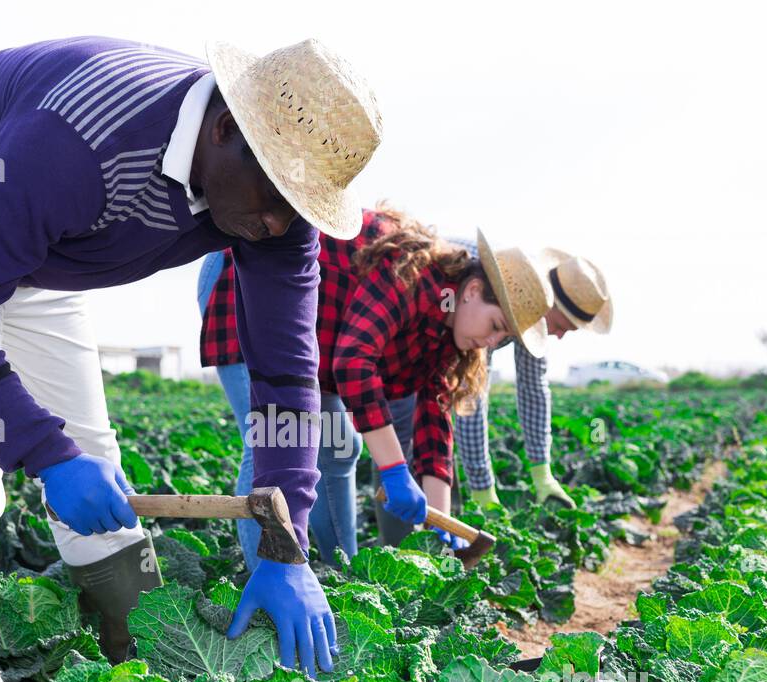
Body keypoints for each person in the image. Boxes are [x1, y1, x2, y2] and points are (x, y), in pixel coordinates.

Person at [0, 36, 383, 682]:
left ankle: (158, 675)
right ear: (225, 127)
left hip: (37, 247)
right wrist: (43, 454)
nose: (276, 224)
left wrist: (283, 541)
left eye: (300, 207)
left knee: (93, 450)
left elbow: (286, 375)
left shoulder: (276, 216)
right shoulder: (81, 139)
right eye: (275, 195)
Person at [198, 204, 550, 566]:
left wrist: (438, 522)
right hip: (249, 276)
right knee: (275, 437)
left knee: (339, 448)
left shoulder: (449, 329)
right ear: (473, 290)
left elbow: (434, 420)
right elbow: (354, 362)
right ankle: (269, 583)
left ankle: (342, 571)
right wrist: (394, 470)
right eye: (495, 326)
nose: (492, 342)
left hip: (315, 337)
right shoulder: (416, 273)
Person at [452, 247, 615, 516]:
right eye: (563, 326)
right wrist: (483, 489)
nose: (560, 337)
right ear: (550, 303)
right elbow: (471, 394)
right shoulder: (498, 296)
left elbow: (533, 390)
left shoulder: (529, 317)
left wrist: (543, 474)